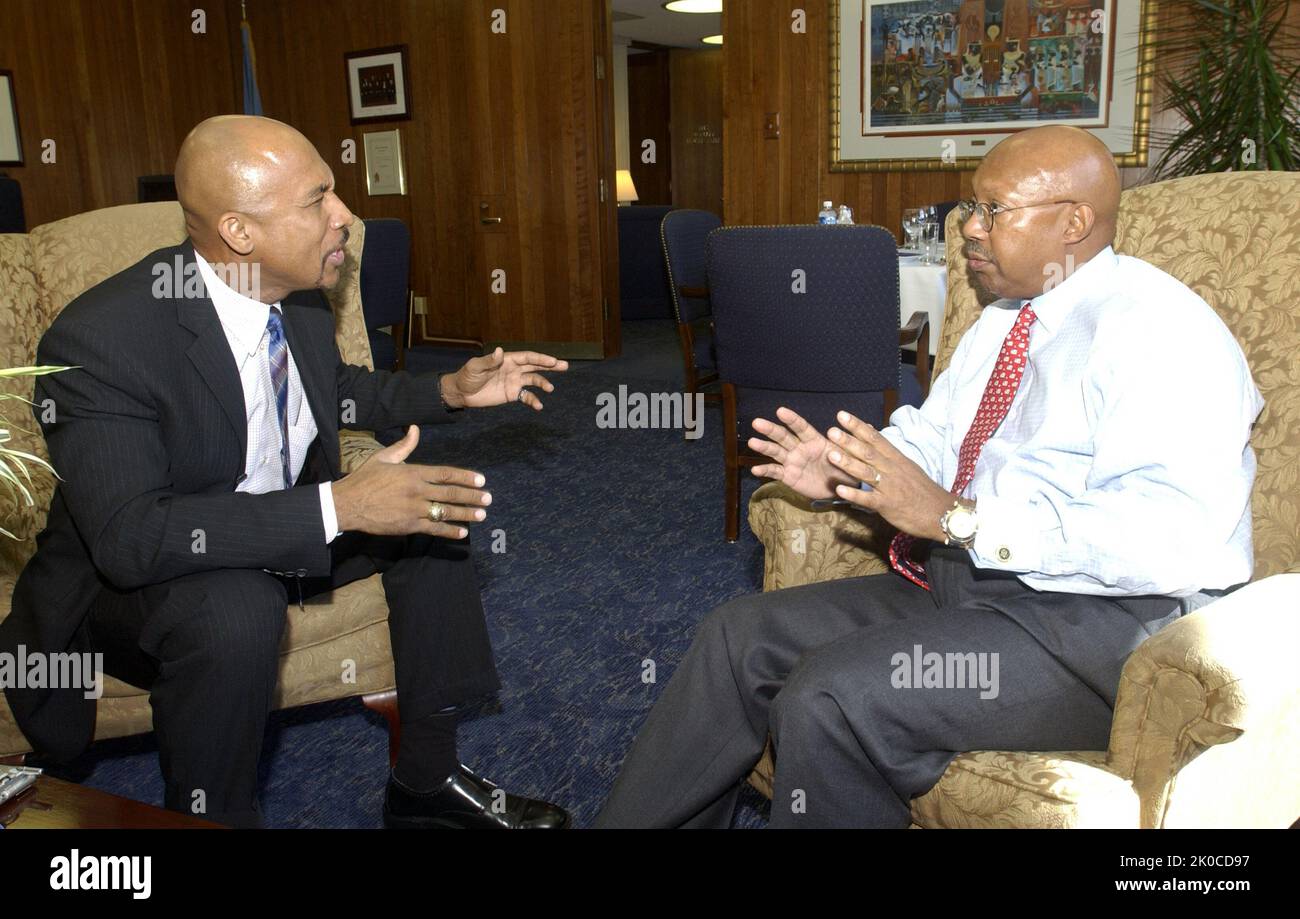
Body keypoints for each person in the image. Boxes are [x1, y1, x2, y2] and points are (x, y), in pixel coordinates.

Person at [594, 125, 1263, 828]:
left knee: (829, 697)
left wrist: (960, 519)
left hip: (1100, 633)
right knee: (736, 637)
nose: (970, 228)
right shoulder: (1004, 320)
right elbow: (936, 437)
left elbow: (1169, 538)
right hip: (971, 584)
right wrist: (846, 469)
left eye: (994, 210)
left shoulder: (1162, 334)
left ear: (1074, 222)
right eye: (974, 205)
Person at [0, 115, 571, 829]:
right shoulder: (103, 339)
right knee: (236, 607)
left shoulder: (295, 294)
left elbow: (330, 390)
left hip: (277, 527)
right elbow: (130, 536)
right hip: (148, 576)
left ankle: (426, 777)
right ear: (240, 233)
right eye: (317, 201)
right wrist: (338, 507)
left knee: (432, 511)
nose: (346, 219)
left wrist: (450, 389)